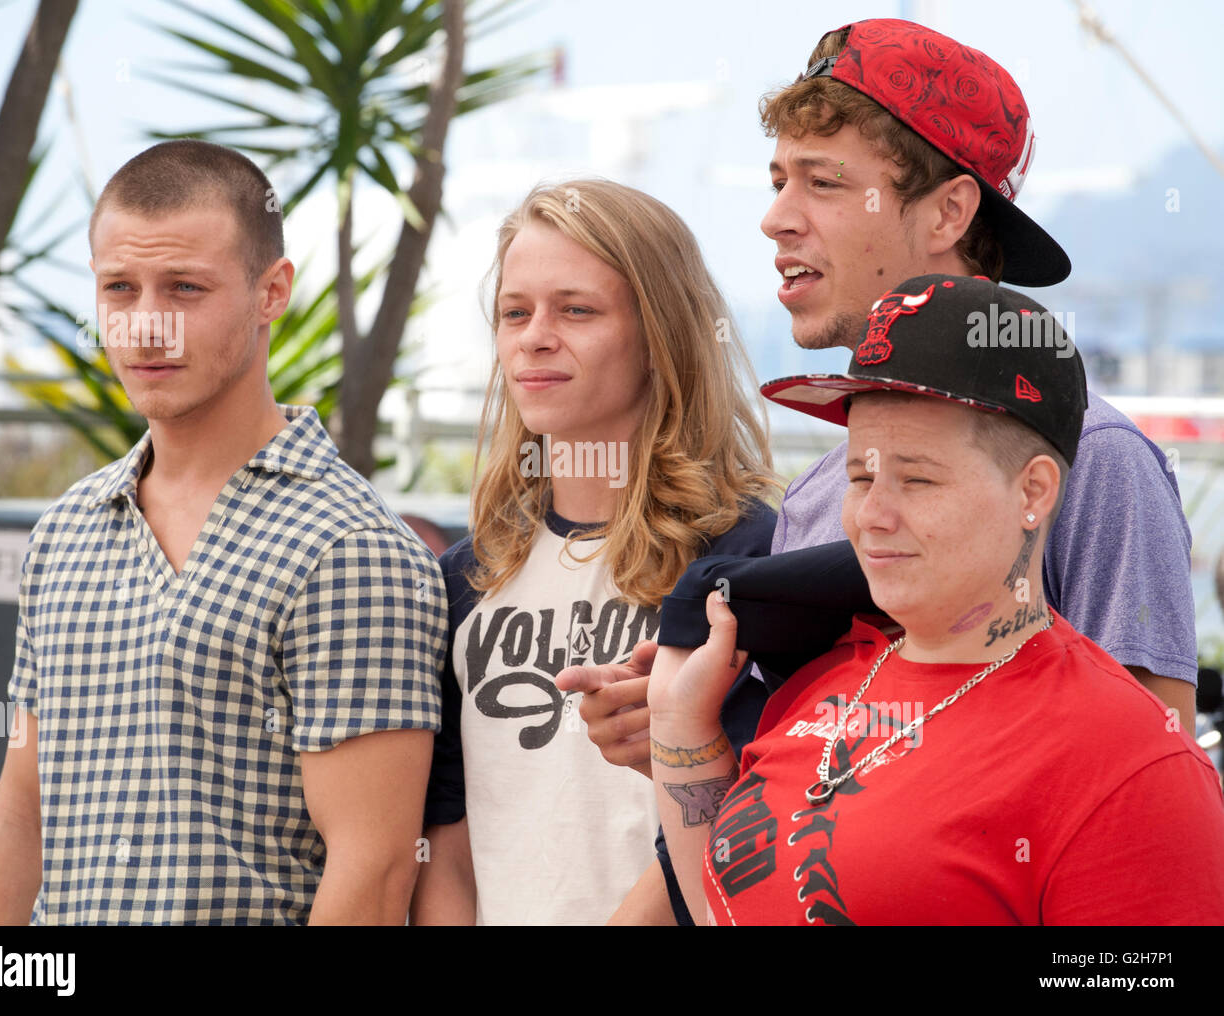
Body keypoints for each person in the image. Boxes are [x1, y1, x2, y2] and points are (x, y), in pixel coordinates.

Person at [559, 17, 1199, 923]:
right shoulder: (826, 491)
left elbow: (1140, 797)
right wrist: (687, 729)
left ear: (948, 212)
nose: (776, 215)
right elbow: (807, 814)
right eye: (779, 178)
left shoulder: (1094, 460)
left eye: (824, 182)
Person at [0, 140, 448, 925]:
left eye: (185, 288)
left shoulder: (351, 549)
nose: (147, 326)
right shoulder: (64, 533)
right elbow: (22, 812)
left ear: (272, 292)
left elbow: (376, 868)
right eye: (120, 289)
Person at [649, 273, 1224, 925]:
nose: (872, 515)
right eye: (860, 476)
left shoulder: (1127, 763)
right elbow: (719, 911)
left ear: (1033, 492)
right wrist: (681, 729)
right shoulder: (819, 682)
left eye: (916, 479)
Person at [408, 179, 781, 925]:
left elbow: (755, 808)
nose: (534, 336)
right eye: (515, 312)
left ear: (662, 334)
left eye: (576, 309)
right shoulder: (464, 576)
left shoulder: (748, 555)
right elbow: (444, 839)